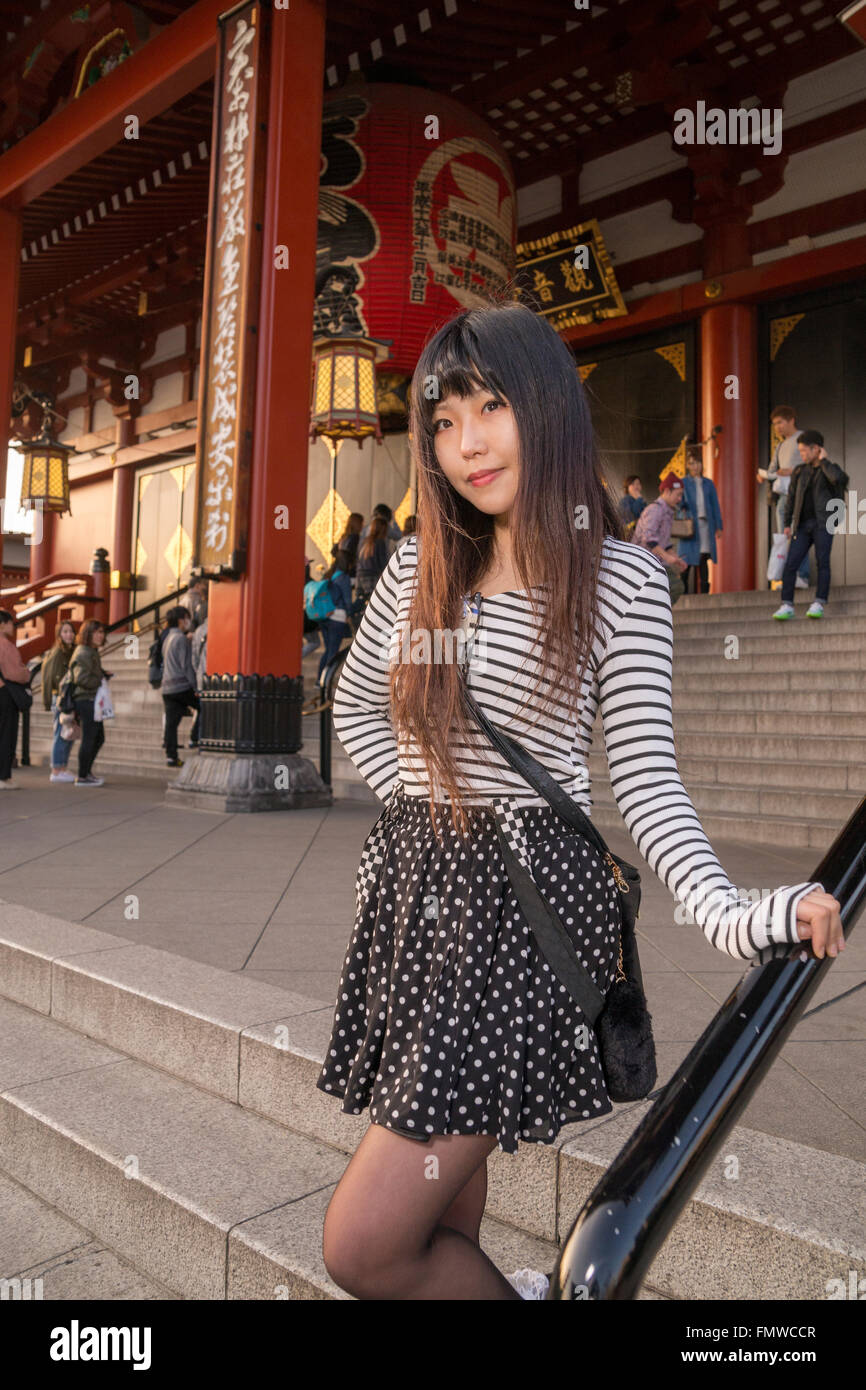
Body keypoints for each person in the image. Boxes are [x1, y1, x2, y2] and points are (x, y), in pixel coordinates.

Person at [316, 300, 842, 1302]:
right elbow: (354, 708)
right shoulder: (420, 564)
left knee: (366, 1244)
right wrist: (429, 820)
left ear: (547, 407)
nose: (465, 441)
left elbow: (643, 780)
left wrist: (738, 914)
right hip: (419, 902)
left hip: (521, 917)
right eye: (440, 418)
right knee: (437, 1207)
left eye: (490, 406)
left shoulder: (623, 583)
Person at [773, 430, 849, 621]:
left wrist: (824, 462)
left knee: (823, 562)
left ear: (816, 449)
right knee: (791, 564)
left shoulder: (830, 468)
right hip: (802, 526)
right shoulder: (799, 471)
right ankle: (787, 604)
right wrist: (788, 523)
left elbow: (840, 480)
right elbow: (791, 498)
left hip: (824, 524)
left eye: (805, 451)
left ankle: (819, 602)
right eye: (800, 451)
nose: (802, 455)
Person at [758, 406, 809, 589]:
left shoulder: (803, 439)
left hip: (800, 495)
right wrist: (765, 475)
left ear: (791, 420)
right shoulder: (780, 446)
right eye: (775, 424)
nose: (777, 427)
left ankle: (801, 575)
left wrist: (792, 471)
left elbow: (811, 464)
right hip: (782, 497)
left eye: (780, 422)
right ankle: (788, 577)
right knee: (784, 538)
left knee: (799, 535)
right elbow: (773, 470)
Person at [631, 473, 689, 604]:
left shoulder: (668, 512)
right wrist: (667, 557)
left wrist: (676, 559)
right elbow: (649, 540)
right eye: (678, 494)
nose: (680, 499)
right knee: (675, 587)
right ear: (667, 491)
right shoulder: (654, 510)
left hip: (656, 562)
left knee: (672, 588)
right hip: (645, 563)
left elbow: (666, 544)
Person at [69, 620, 112, 786]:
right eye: (97, 632)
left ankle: (86, 772)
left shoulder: (90, 651)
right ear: (88, 633)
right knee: (90, 737)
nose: (101, 636)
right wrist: (100, 678)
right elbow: (81, 678)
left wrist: (101, 673)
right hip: (86, 699)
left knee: (98, 738)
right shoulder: (84, 652)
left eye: (102, 632)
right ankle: (82, 775)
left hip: (91, 699)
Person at [679, 447, 723, 594]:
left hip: (706, 525)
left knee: (703, 557)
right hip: (691, 525)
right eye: (691, 463)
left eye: (697, 463)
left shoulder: (708, 483)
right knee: (687, 559)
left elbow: (715, 505)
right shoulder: (683, 483)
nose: (695, 466)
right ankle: (683, 594)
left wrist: (719, 526)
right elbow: (679, 503)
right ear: (687, 465)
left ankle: (705, 594)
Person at [160, 606, 200, 766]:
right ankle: (195, 738)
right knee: (203, 707)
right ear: (181, 620)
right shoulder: (181, 639)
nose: (188, 621)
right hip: (181, 686)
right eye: (187, 618)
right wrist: (195, 687)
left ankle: (171, 756)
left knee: (171, 724)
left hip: (167, 687)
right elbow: (187, 666)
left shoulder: (167, 638)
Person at [0, 608, 33, 790]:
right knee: (7, 735)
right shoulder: (6, 645)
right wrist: (26, 673)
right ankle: (3, 776)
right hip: (5, 694)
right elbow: (15, 673)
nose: (13, 626)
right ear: (3, 624)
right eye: (11, 623)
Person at [41, 621, 77, 782]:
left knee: (68, 733)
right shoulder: (57, 653)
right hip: (61, 698)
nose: (69, 634)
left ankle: (62, 767)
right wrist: (48, 701)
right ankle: (56, 769)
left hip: (69, 697)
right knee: (60, 733)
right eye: (65, 631)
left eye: (71, 631)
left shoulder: (71, 651)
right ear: (59, 635)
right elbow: (50, 678)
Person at [354, 514, 391, 601]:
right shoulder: (380, 542)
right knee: (375, 602)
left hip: (360, 575)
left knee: (361, 601)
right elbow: (382, 563)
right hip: (372, 576)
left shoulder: (364, 541)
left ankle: (351, 613)